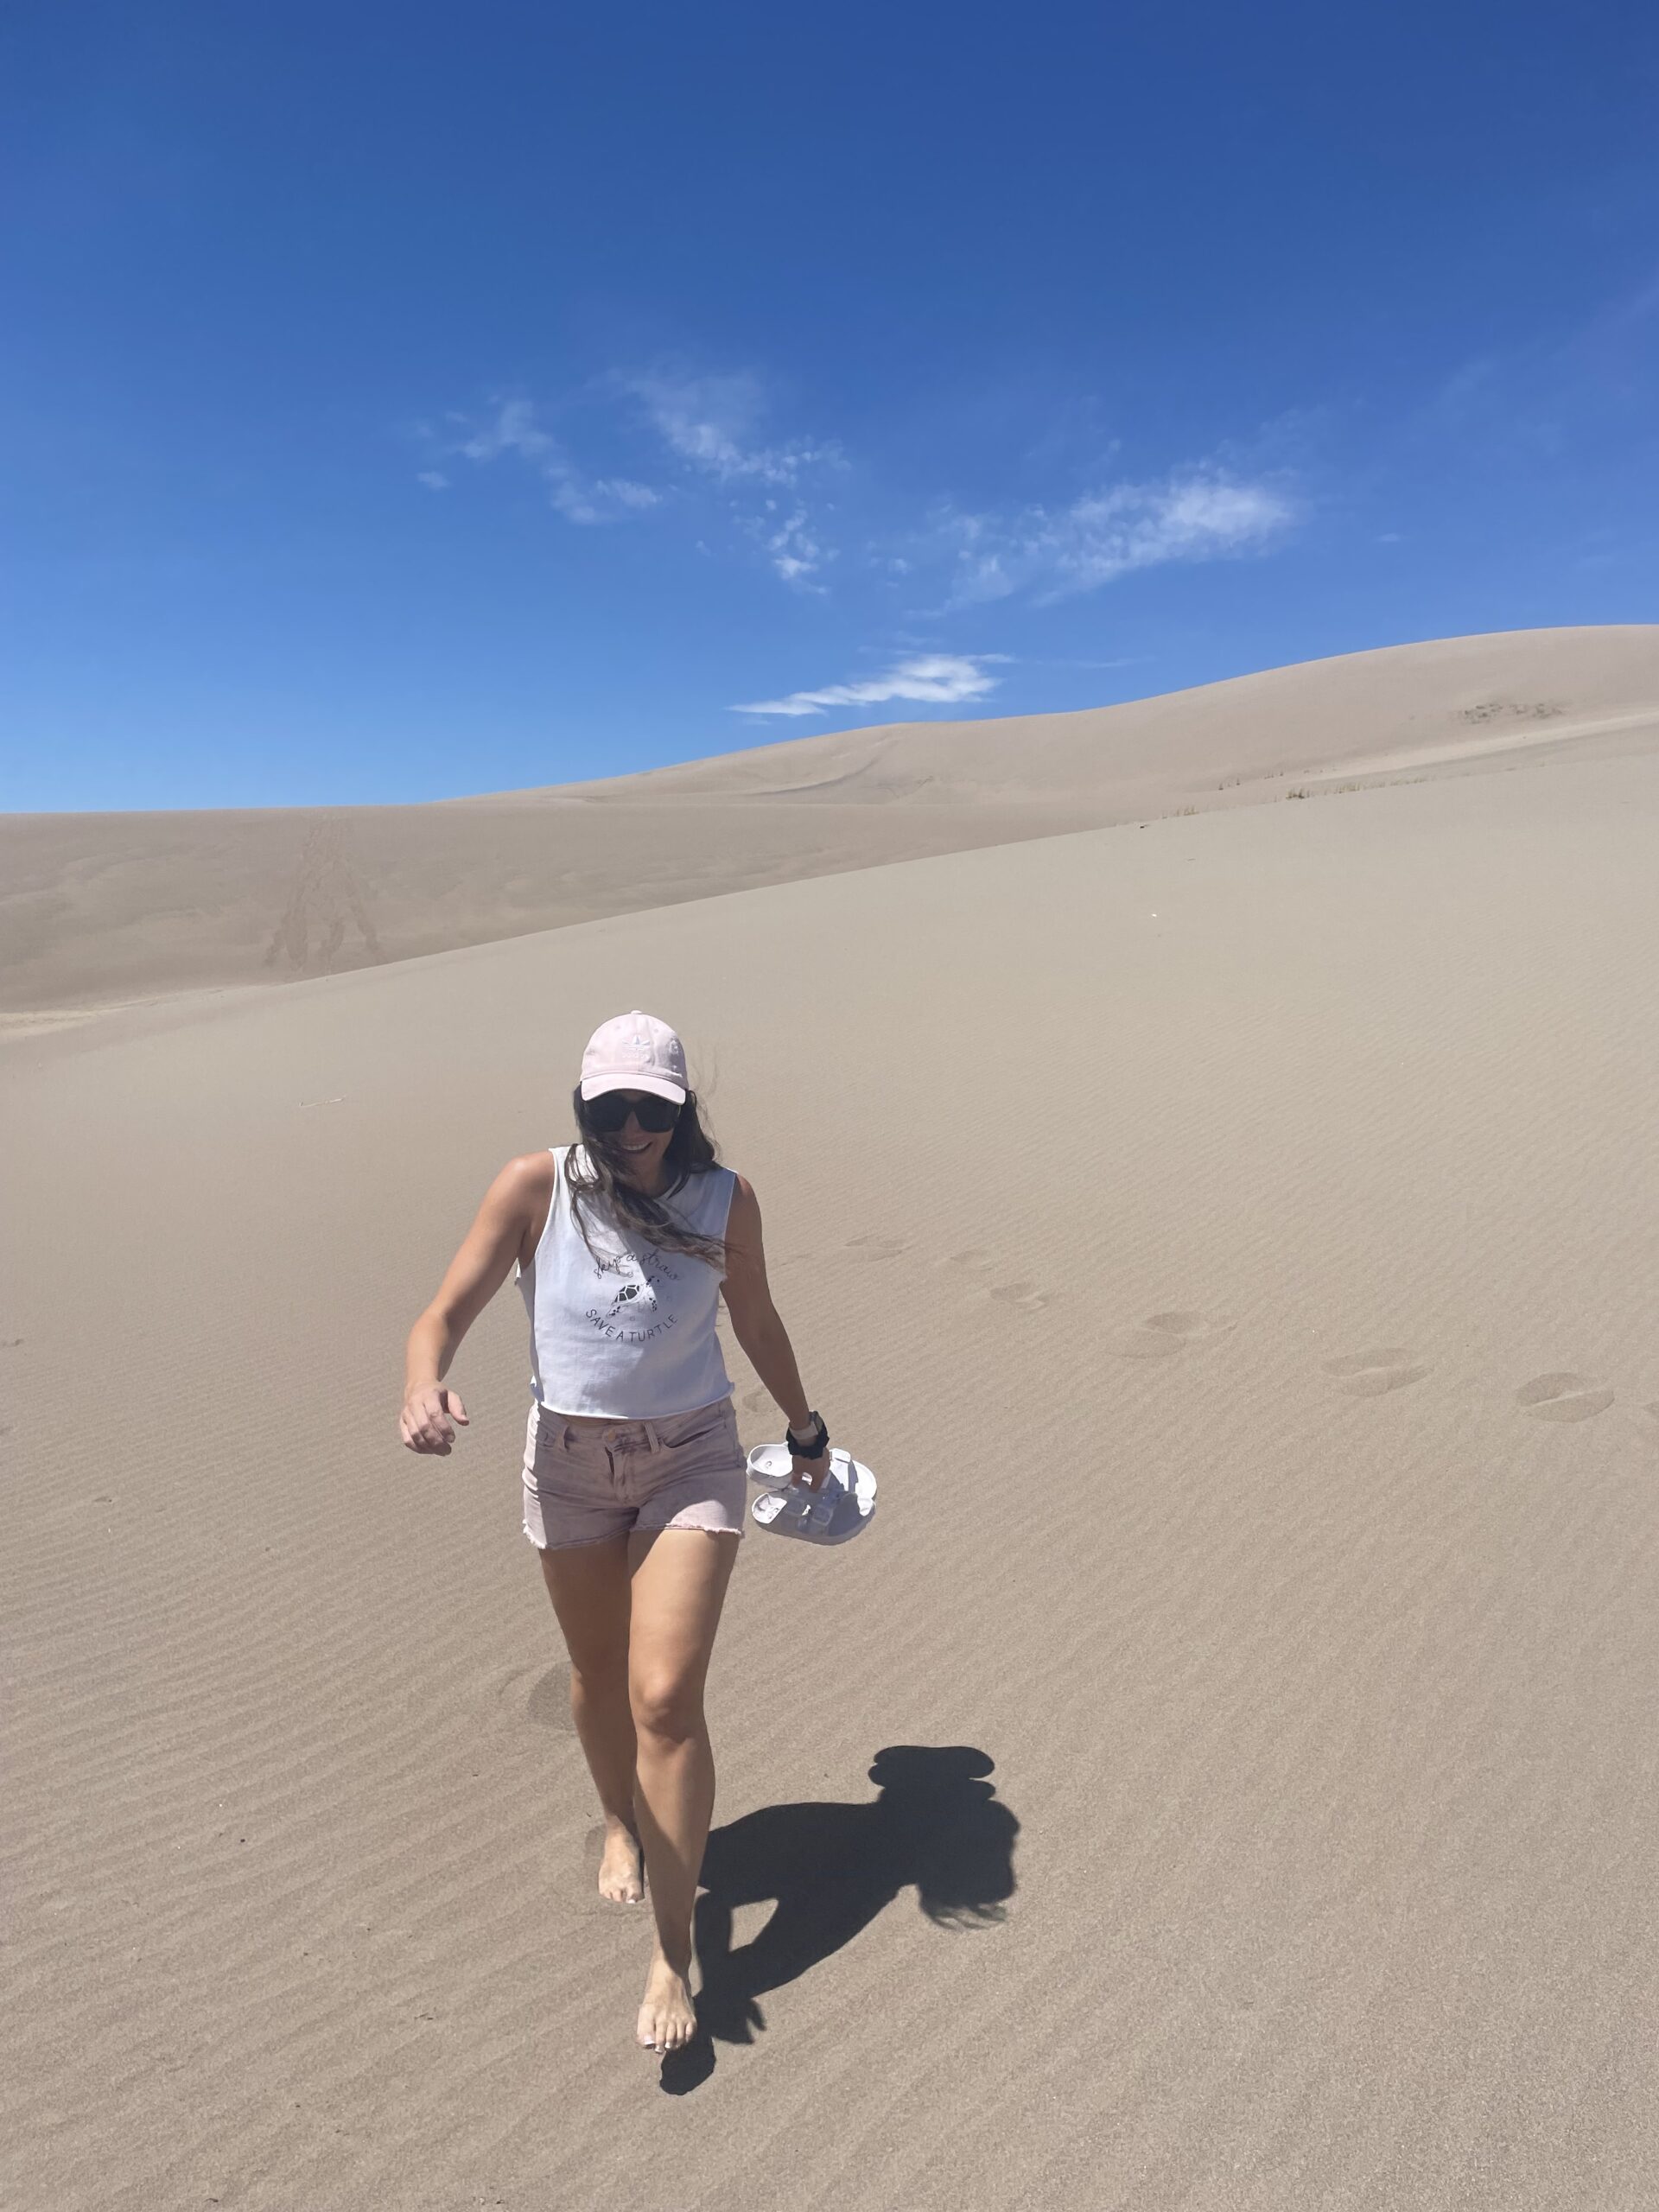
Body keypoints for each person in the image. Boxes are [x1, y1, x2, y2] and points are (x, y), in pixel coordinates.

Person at [399, 1010, 830, 2056]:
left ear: (682, 1110)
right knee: (596, 1673)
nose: (630, 1127)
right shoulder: (536, 1186)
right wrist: (423, 1383)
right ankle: (621, 1821)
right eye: (610, 1108)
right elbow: (441, 1312)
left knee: (665, 1694)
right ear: (582, 1104)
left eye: (652, 1109)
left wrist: (807, 1426)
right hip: (573, 1466)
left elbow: (757, 1318)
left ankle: (672, 1952)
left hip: (692, 1454)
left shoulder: (724, 1199)